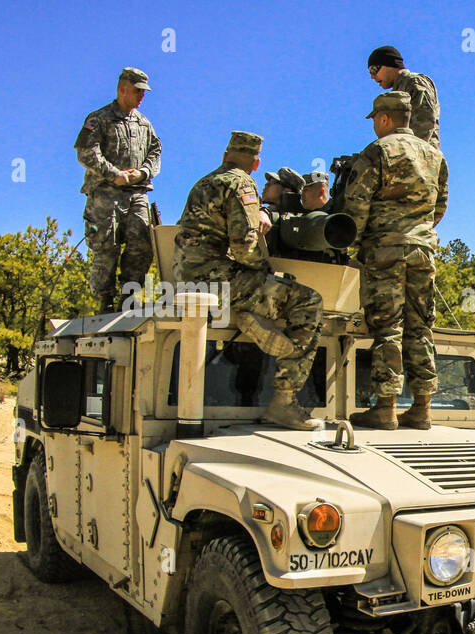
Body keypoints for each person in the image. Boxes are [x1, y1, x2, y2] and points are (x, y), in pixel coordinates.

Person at [173, 131, 325, 430]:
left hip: (188, 279)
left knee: (265, 290)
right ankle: (283, 400)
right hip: (217, 281)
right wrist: (267, 271)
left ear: (225, 156)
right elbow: (245, 246)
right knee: (309, 300)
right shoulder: (241, 182)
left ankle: (250, 315)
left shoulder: (203, 183)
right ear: (255, 164)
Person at [344, 92, 448, 430]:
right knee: (421, 327)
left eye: (375, 118)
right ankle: (422, 408)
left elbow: (356, 204)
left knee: (389, 326)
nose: (375, 125)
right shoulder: (435, 156)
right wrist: (418, 231)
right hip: (423, 251)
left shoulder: (378, 151)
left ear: (385, 119)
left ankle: (386, 407)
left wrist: (354, 246)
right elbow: (440, 206)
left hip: (385, 251)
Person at [75, 67, 161, 314]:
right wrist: (114, 174)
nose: (141, 97)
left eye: (144, 92)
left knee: (142, 245)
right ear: (122, 89)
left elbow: (156, 151)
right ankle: (105, 302)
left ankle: (130, 297)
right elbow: (86, 151)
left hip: (137, 194)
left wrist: (143, 172)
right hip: (105, 193)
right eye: (137, 91)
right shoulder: (99, 118)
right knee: (106, 245)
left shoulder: (144, 123)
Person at [367, 45, 440, 147]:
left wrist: (406, 153)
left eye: (374, 70)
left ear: (389, 64)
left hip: (420, 157)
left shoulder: (414, 82)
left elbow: (424, 124)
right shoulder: (398, 90)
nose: (372, 76)